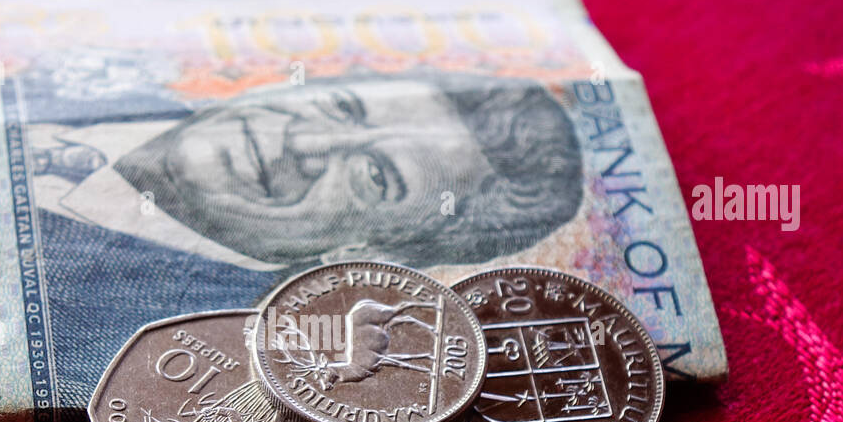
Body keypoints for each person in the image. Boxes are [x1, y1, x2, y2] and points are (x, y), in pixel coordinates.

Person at [112, 71, 584, 267]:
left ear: (375, 252)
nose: (302, 142)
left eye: (376, 176)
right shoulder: (123, 78)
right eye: (341, 105)